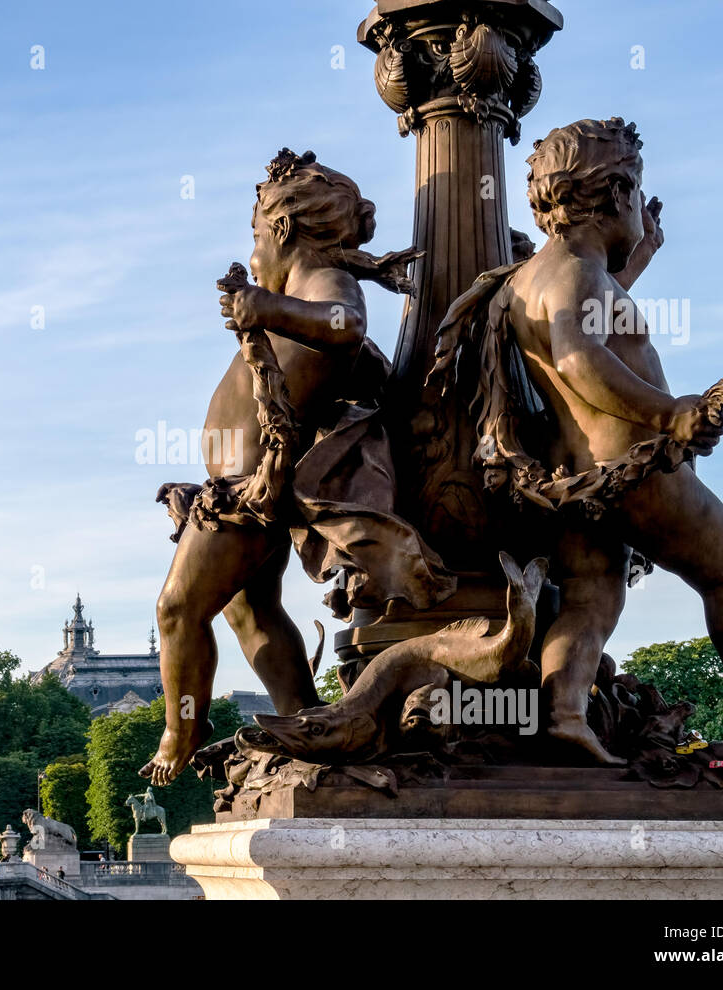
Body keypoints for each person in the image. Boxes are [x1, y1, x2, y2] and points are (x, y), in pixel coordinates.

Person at [459, 117, 723, 763]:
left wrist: (639, 259)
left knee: (591, 593)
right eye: (638, 196)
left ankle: (565, 710)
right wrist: (671, 413)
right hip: (637, 468)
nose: (640, 209)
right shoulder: (578, 272)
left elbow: (589, 319)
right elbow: (581, 356)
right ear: (617, 194)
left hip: (572, 479)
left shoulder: (537, 275)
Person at [142, 149, 452, 785]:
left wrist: (263, 308)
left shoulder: (322, 284)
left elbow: (347, 322)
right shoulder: (299, 288)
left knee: (177, 608)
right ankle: (305, 718)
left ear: (283, 233)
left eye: (258, 236)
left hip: (250, 493)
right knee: (250, 612)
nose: (255, 252)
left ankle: (179, 731)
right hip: (237, 489)